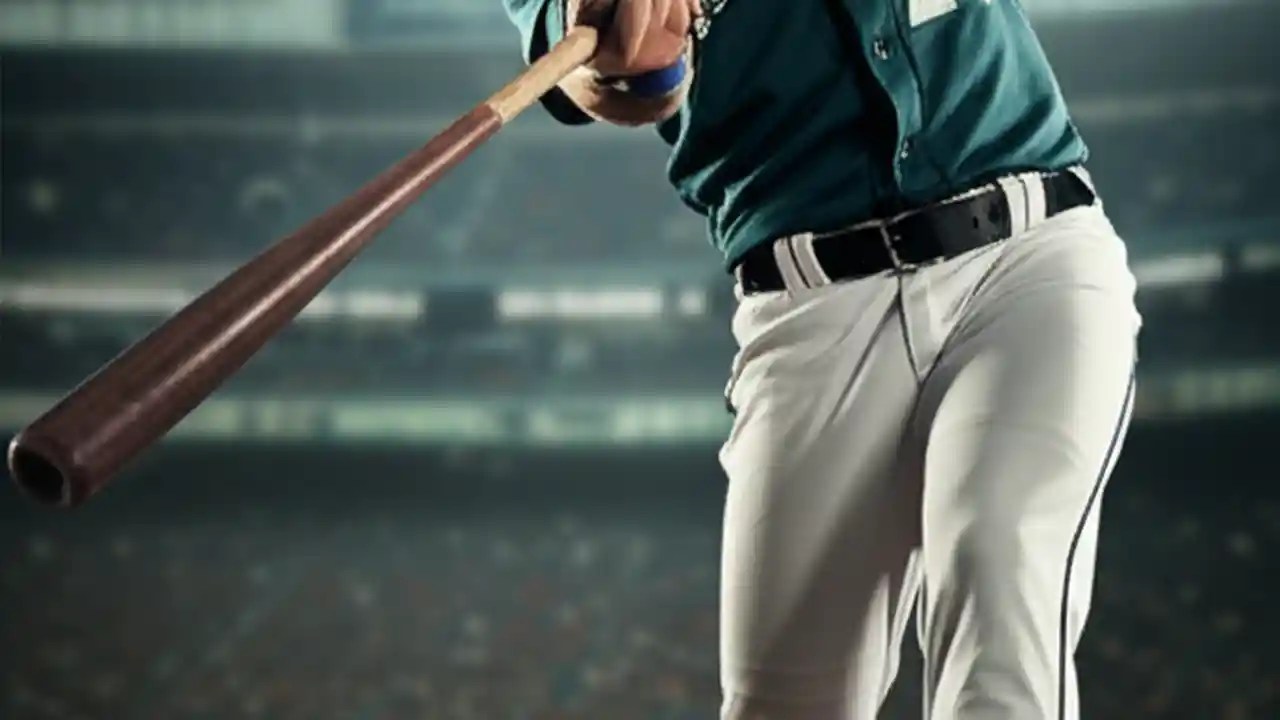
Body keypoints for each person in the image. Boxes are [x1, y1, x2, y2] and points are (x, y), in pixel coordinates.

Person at [501, 1, 1142, 718]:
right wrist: (622, 41)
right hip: (810, 310)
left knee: (998, 577)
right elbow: (600, 71)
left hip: (1024, 256)